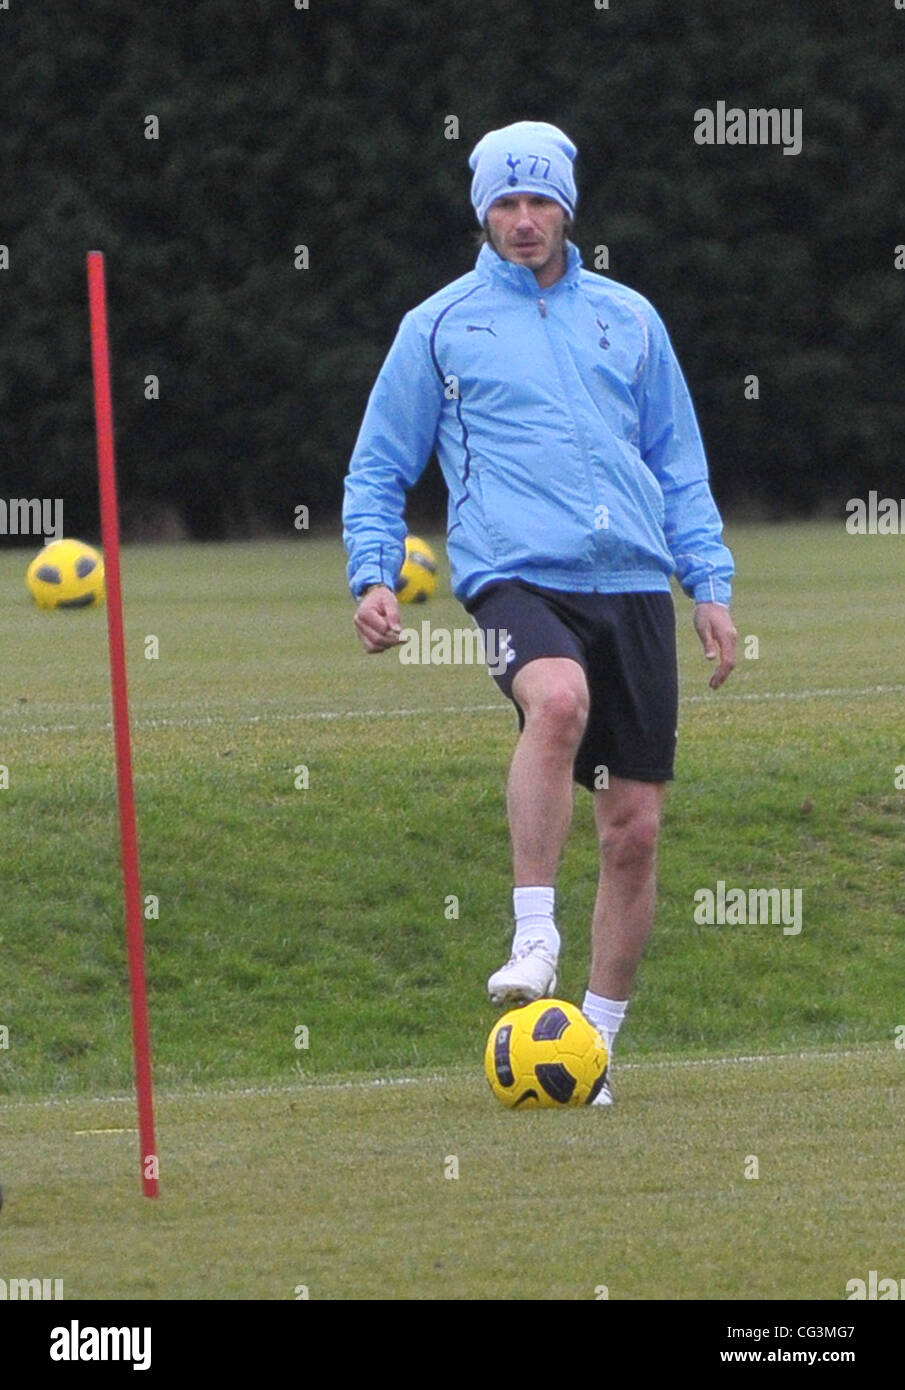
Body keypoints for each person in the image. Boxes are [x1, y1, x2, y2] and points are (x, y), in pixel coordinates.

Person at [343, 121, 737, 1104]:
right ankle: (532, 930)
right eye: (504, 205)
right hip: (516, 571)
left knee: (633, 828)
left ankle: (590, 1047)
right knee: (553, 700)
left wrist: (710, 584)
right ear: (480, 212)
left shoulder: (631, 319)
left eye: (539, 202)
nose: (523, 222)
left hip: (636, 581)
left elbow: (676, 463)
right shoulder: (437, 326)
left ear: (567, 206)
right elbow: (377, 466)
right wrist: (373, 575)